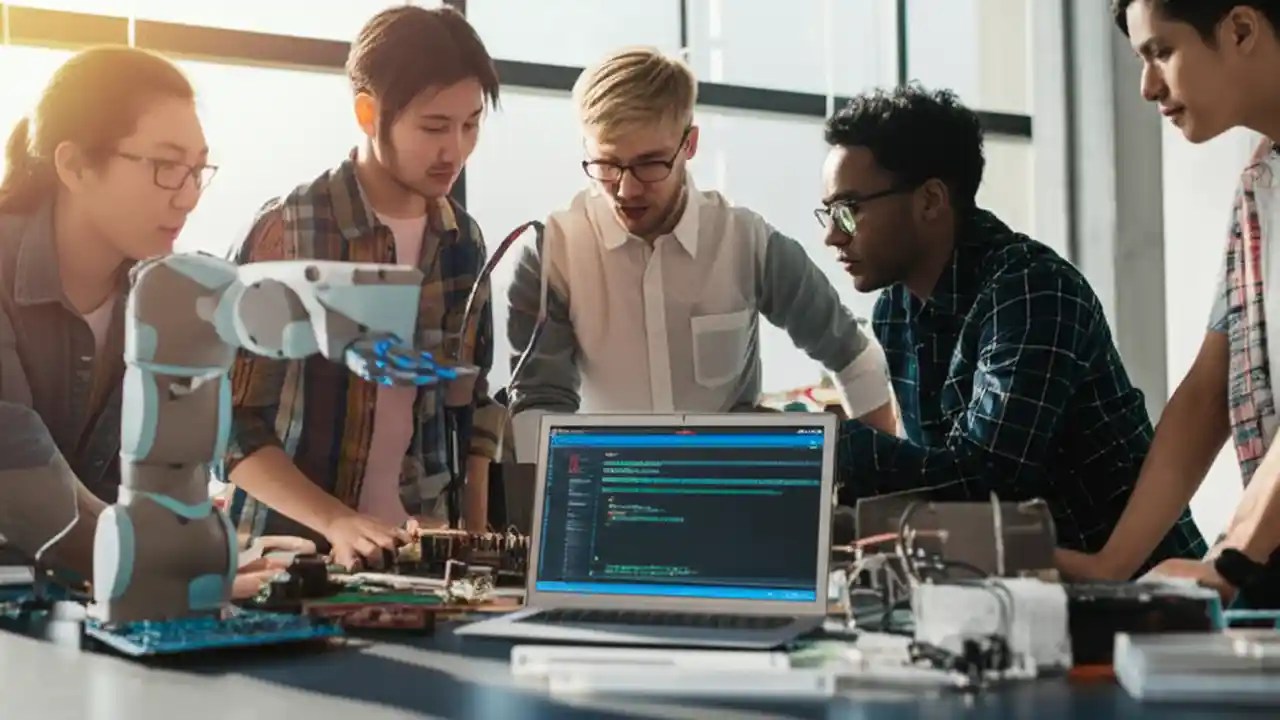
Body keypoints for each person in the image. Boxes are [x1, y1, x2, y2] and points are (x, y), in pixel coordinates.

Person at [822, 84, 1206, 568]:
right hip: (1021, 592)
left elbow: (987, 483)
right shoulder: (894, 312)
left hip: (1140, 592)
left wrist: (829, 444)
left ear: (931, 200)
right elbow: (935, 491)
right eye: (829, 213)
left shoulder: (1032, 289)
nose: (832, 235)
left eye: (849, 211)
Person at [222, 6, 503, 568]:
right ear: (368, 113)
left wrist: (476, 543)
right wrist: (337, 521)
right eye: (434, 127)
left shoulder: (463, 240)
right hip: (293, 558)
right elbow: (230, 425)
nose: (454, 150)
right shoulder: (291, 228)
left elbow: (472, 409)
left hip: (420, 563)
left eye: (470, 125)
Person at [0, 46, 278, 597]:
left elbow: (147, 479)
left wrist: (199, 548)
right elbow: (17, 473)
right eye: (165, 168)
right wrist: (163, 565)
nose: (189, 197)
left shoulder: (159, 293)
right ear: (75, 166)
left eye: (197, 170)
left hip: (59, 597)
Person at [504, 47, 897, 434]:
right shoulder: (554, 254)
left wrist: (881, 468)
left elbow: (854, 358)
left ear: (689, 144)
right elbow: (537, 405)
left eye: (650, 163)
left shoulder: (746, 242)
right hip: (607, 472)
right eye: (607, 164)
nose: (626, 189)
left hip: (727, 473)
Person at [1057, 0, 1280, 606]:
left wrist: (1231, 560)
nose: (1147, 86)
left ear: (1240, 30)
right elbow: (1208, 390)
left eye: (1162, 52)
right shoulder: (1259, 182)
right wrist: (1111, 564)